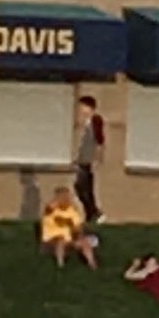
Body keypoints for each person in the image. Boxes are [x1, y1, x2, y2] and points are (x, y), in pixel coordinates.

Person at [40, 187, 97, 270]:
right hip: (51, 240)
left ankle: (92, 263)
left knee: (84, 242)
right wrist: (58, 200)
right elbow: (49, 208)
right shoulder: (52, 210)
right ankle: (60, 265)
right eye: (62, 197)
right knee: (61, 240)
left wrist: (78, 236)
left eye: (67, 197)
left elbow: (78, 228)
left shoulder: (72, 211)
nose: (66, 199)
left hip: (69, 239)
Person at [72, 95, 105, 226]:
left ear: (90, 107)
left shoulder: (96, 121)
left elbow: (99, 141)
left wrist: (96, 159)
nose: (81, 110)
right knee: (81, 188)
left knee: (84, 187)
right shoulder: (87, 122)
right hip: (83, 160)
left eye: (83, 107)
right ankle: (91, 214)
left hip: (88, 161)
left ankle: (95, 213)